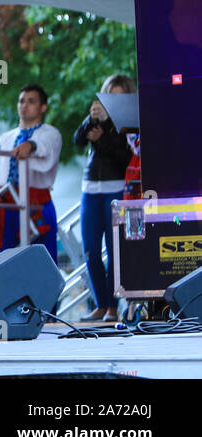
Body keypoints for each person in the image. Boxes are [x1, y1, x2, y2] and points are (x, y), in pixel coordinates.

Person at [75, 74, 135, 322]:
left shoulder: (129, 123)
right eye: (110, 95)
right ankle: (100, 304)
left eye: (119, 96)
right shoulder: (96, 118)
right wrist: (90, 119)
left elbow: (124, 158)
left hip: (115, 188)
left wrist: (104, 138)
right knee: (89, 249)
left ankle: (112, 307)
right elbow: (78, 141)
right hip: (90, 189)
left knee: (114, 250)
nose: (113, 101)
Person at [0, 84, 62, 263]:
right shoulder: (5, 138)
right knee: (7, 263)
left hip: (38, 205)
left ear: (43, 107)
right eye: (21, 101)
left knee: (42, 263)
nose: (24, 105)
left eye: (31, 101)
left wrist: (31, 146)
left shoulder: (51, 133)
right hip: (8, 205)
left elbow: (45, 148)